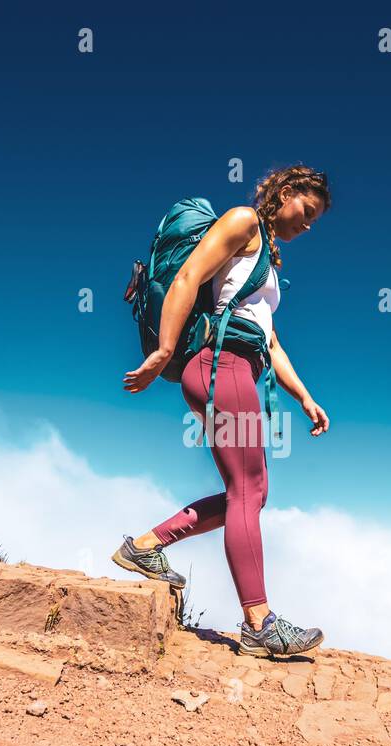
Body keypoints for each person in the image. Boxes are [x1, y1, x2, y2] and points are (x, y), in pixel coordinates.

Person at [114, 164, 332, 658]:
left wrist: (305, 397)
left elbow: (269, 340)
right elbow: (189, 276)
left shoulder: (266, 261)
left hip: (238, 368)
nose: (309, 223)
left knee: (252, 490)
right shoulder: (242, 222)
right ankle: (259, 622)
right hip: (220, 366)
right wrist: (164, 351)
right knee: (247, 489)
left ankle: (145, 546)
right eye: (307, 210)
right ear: (286, 192)